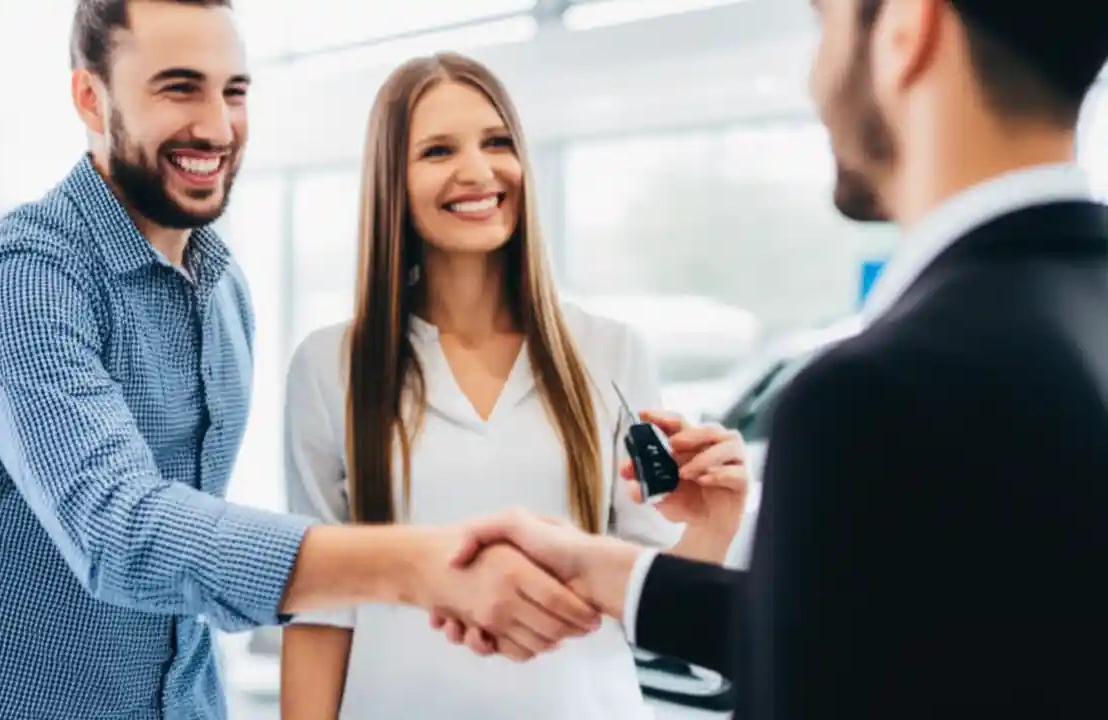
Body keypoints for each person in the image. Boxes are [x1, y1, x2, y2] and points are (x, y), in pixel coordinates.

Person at [0, 3, 604, 719]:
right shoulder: (29, 278)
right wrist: (426, 568)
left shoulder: (222, 288)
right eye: (178, 88)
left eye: (234, 91)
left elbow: (193, 544)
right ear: (90, 98)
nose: (219, 127)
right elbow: (122, 532)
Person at [440, 1, 1108, 718]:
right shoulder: (1075, 311)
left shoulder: (872, 394)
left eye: (826, 24)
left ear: (908, 32)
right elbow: (944, 641)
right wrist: (617, 576)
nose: (815, 79)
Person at [278, 53, 750, 720]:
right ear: (393, 182)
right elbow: (322, 606)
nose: (478, 171)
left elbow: (642, 594)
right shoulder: (331, 364)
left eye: (497, 143)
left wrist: (710, 532)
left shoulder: (611, 351)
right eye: (438, 150)